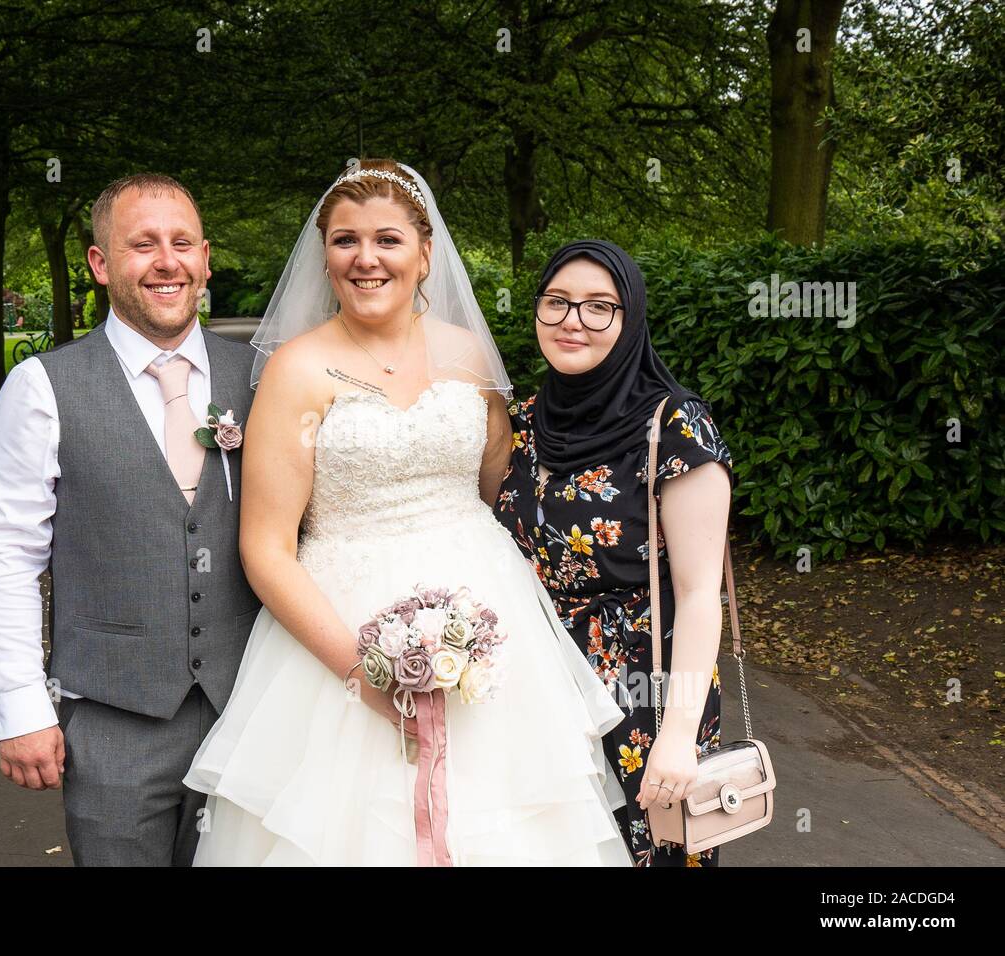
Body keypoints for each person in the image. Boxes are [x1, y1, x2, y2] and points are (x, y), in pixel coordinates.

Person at [182, 160, 633, 866]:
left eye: (388, 239)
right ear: (324, 255)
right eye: (345, 240)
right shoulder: (296, 371)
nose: (366, 258)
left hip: (493, 631)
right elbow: (266, 549)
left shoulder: (467, 355)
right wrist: (363, 674)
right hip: (339, 636)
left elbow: (498, 493)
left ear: (426, 254)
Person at [0, 173, 260, 866]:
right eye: (143, 244)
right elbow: (6, 553)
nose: (167, 261)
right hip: (113, 725)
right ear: (101, 265)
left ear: (206, 258)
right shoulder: (43, 386)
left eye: (182, 243)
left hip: (250, 713)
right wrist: (20, 706)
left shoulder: (260, 375)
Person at [492, 239, 733, 866]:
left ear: (629, 324)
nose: (574, 321)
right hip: (538, 689)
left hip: (644, 692)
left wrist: (679, 736)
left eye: (600, 307)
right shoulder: (520, 422)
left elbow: (704, 593)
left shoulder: (674, 426)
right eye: (558, 302)